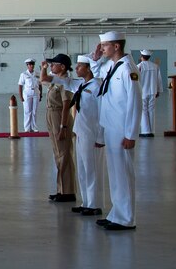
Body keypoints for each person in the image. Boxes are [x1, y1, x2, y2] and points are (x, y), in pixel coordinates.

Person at [89, 30, 141, 231]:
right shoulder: (112, 66)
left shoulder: (128, 69)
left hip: (122, 129)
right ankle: (117, 214)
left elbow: (135, 103)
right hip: (111, 127)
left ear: (116, 46)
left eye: (105, 45)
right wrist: (95, 60)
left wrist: (131, 134)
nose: (101, 49)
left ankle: (127, 218)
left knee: (124, 174)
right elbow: (97, 78)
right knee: (115, 173)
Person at [46, 56, 105, 216]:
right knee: (83, 170)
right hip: (81, 130)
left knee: (91, 169)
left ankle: (95, 204)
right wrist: (45, 68)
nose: (76, 69)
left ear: (88, 69)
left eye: (80, 66)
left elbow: (102, 113)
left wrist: (101, 137)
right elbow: (53, 79)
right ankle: (86, 202)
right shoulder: (80, 84)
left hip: (92, 132)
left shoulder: (97, 86)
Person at [41, 54, 76, 203]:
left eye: (53, 64)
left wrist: (63, 126)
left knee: (64, 154)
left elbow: (66, 106)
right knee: (58, 154)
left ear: (62, 67)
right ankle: (61, 189)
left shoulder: (65, 83)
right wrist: (43, 68)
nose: (51, 66)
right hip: (51, 115)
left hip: (60, 117)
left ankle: (68, 192)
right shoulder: (56, 81)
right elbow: (42, 80)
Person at [137, 50, 162, 137]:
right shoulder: (155, 66)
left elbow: (136, 80)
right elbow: (159, 79)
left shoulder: (139, 66)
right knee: (151, 110)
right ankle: (152, 131)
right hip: (152, 91)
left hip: (143, 91)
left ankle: (145, 131)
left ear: (141, 56)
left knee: (143, 110)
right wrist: (158, 90)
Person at [18, 59, 42, 132]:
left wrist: (40, 94)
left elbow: (40, 85)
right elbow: (20, 85)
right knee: (27, 111)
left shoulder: (37, 74)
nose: (31, 66)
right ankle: (27, 128)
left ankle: (34, 127)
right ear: (27, 66)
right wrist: (21, 96)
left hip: (36, 92)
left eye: (32, 64)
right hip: (27, 93)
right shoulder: (24, 74)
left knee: (34, 111)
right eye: (29, 64)